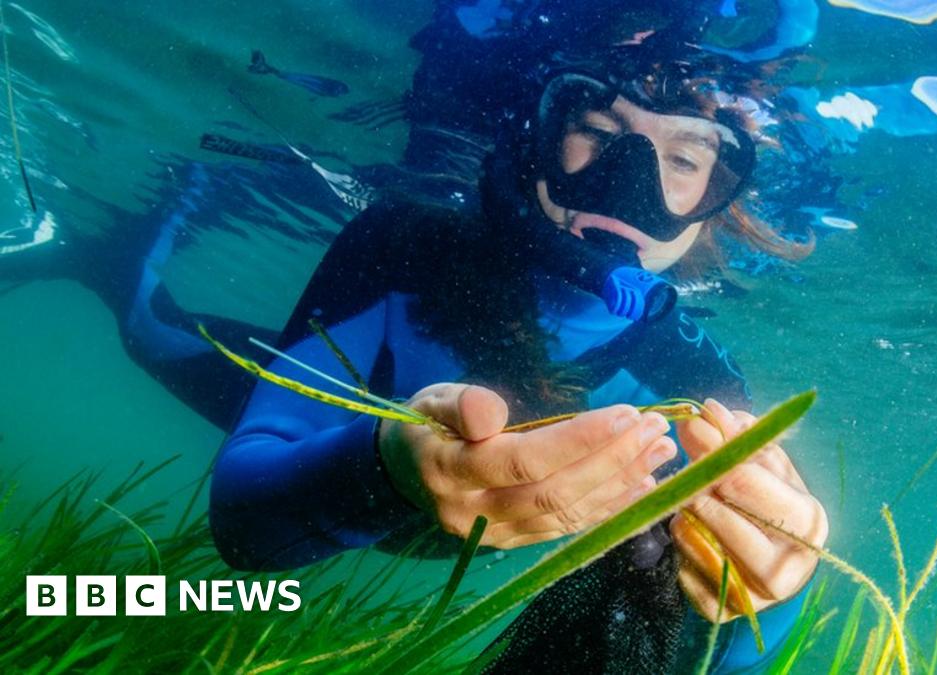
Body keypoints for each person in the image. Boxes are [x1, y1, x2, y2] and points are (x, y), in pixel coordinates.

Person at [209, 25, 829, 672]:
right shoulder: (403, 245)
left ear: (712, 206)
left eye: (683, 160)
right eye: (596, 130)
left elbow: (721, 632)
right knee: (155, 337)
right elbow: (242, 523)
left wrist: (771, 588)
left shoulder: (695, 378)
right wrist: (384, 467)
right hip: (331, 429)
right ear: (539, 138)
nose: (628, 185)